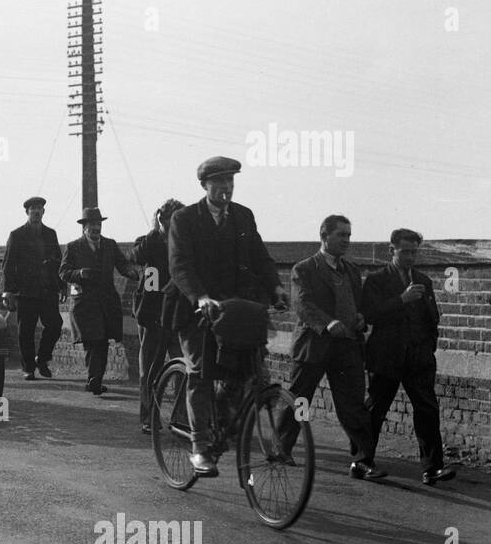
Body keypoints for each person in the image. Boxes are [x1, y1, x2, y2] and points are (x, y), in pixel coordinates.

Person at [166, 158, 286, 476]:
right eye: (219, 182)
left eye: (231, 181)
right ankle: (199, 446)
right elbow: (179, 265)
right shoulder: (185, 218)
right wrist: (201, 296)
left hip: (235, 310)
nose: (226, 188)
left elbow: (260, 257)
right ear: (204, 186)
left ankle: (222, 420)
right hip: (196, 309)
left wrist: (276, 287)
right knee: (200, 374)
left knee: (245, 374)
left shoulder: (243, 217)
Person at [279, 215, 384, 481]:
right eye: (341, 235)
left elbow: (356, 303)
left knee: (352, 406)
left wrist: (360, 317)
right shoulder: (304, 269)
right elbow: (302, 304)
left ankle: (362, 461)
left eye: (349, 235)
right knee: (301, 400)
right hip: (314, 346)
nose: (347, 240)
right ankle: (281, 448)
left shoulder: (351, 270)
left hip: (347, 346)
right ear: (324, 236)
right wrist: (327, 323)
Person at [362, 228, 455, 485]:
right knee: (375, 410)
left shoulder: (424, 280)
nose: (411, 257)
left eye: (414, 252)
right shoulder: (377, 280)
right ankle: (362, 461)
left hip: (418, 358)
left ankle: (433, 468)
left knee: (427, 410)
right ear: (391, 250)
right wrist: (401, 300)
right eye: (405, 251)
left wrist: (428, 347)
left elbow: (431, 317)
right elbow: (370, 314)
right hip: (386, 356)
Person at [59, 207, 138, 395]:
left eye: (98, 225)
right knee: (91, 340)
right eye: (92, 225)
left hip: (106, 301)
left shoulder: (110, 245)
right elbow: (63, 272)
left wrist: (131, 272)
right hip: (85, 303)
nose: (96, 228)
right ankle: (94, 377)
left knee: (102, 340)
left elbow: (122, 264)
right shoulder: (73, 247)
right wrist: (79, 273)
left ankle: (95, 379)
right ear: (84, 227)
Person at [133, 199, 185, 431]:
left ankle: (180, 418)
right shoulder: (149, 242)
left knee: (184, 370)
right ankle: (148, 418)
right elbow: (136, 256)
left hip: (178, 317)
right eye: (168, 220)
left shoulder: (184, 243)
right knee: (151, 371)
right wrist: (157, 233)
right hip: (152, 316)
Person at [1, 196, 64, 381]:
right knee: (26, 330)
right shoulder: (17, 234)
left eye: (39, 208)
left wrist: (62, 286)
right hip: (26, 291)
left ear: (43, 212)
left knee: (54, 325)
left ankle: (42, 358)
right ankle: (28, 368)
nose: (36, 211)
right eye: (33, 208)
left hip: (47, 290)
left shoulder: (50, 234)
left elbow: (59, 262)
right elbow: (8, 264)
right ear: (27, 212)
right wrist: (8, 290)